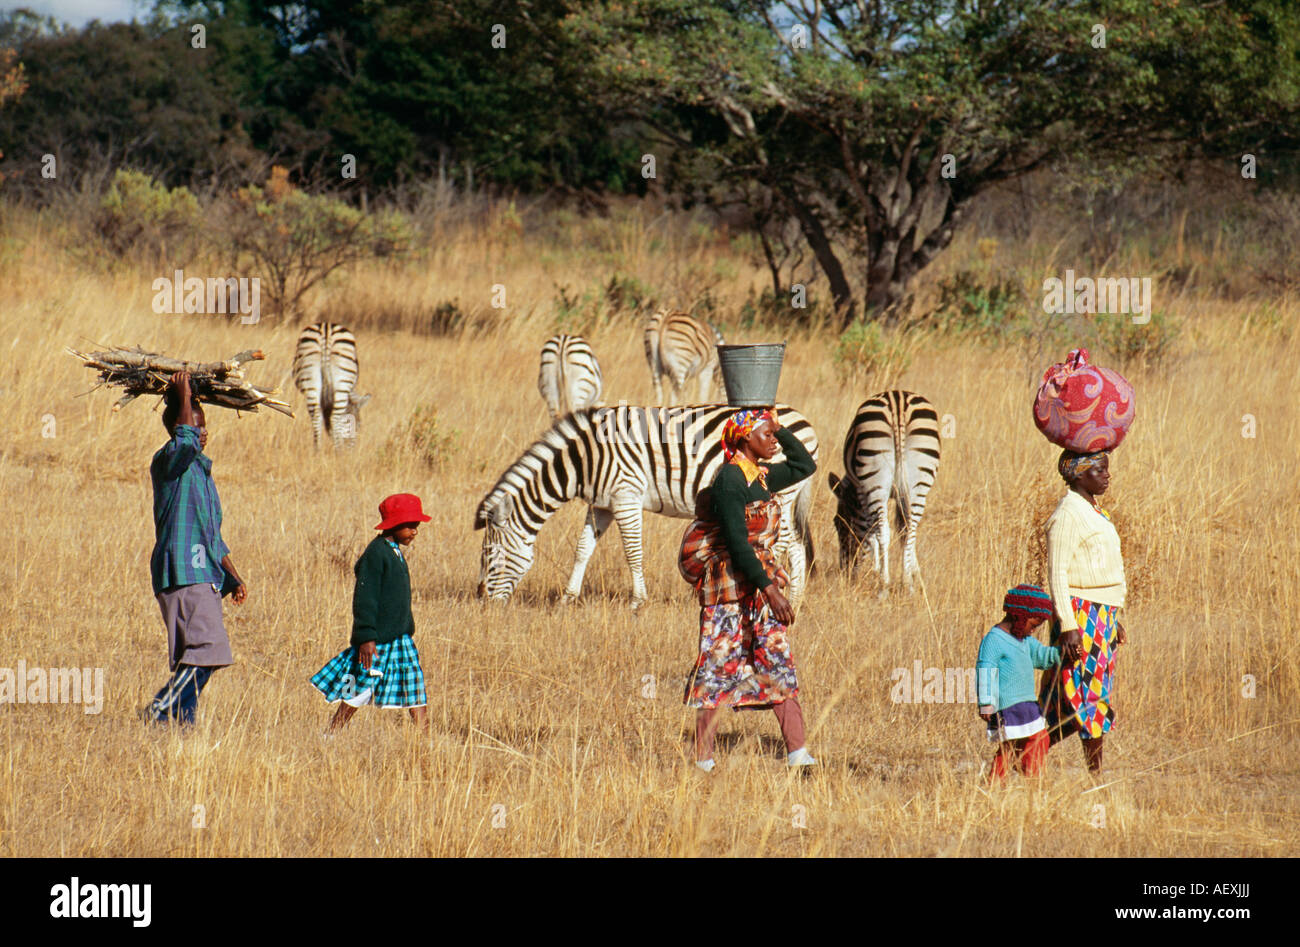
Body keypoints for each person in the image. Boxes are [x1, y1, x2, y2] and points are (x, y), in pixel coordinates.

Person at [679, 409, 817, 772]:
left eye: (773, 434)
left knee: (777, 659)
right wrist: (771, 590)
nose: (773, 440)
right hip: (729, 590)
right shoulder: (730, 481)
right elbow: (739, 545)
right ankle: (703, 760)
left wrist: (779, 427)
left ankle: (797, 754)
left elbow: (805, 466)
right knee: (718, 666)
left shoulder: (763, 476)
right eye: (766, 434)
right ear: (744, 440)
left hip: (759, 585)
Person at [143, 371, 248, 725]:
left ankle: (179, 724)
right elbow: (185, 440)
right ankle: (161, 708)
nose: (201, 432)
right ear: (176, 428)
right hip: (184, 571)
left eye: (205, 426)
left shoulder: (202, 473)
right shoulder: (169, 462)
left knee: (199, 655)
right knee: (209, 651)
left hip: (202, 572)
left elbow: (212, 534)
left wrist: (232, 577)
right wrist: (184, 395)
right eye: (194, 424)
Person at [1040, 450, 1128, 772]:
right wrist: (1068, 625)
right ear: (1079, 475)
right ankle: (1095, 776)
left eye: (1106, 469)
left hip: (1099, 617)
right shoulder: (1068, 513)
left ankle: (1022, 757)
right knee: (1086, 698)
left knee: (1070, 701)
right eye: (1100, 470)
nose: (1107, 476)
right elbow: (1057, 573)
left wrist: (1113, 618)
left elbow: (1100, 572)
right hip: (1079, 615)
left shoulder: (1093, 510)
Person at [311, 493, 431, 732]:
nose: (415, 531)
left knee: (414, 683)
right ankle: (332, 732)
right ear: (394, 525)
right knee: (361, 686)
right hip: (378, 640)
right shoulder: (376, 554)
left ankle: (424, 737)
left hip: (400, 638)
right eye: (410, 526)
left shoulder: (394, 551)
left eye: (416, 525)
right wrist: (366, 637)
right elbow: (365, 600)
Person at [977, 584, 1061, 780]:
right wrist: (986, 702)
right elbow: (985, 670)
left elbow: (1042, 657)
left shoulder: (1025, 640)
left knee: (1028, 742)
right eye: (1032, 625)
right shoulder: (994, 640)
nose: (1032, 631)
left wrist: (1063, 653)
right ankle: (1015, 779)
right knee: (1014, 745)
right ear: (1019, 616)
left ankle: (1015, 778)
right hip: (1008, 706)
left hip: (1027, 704)